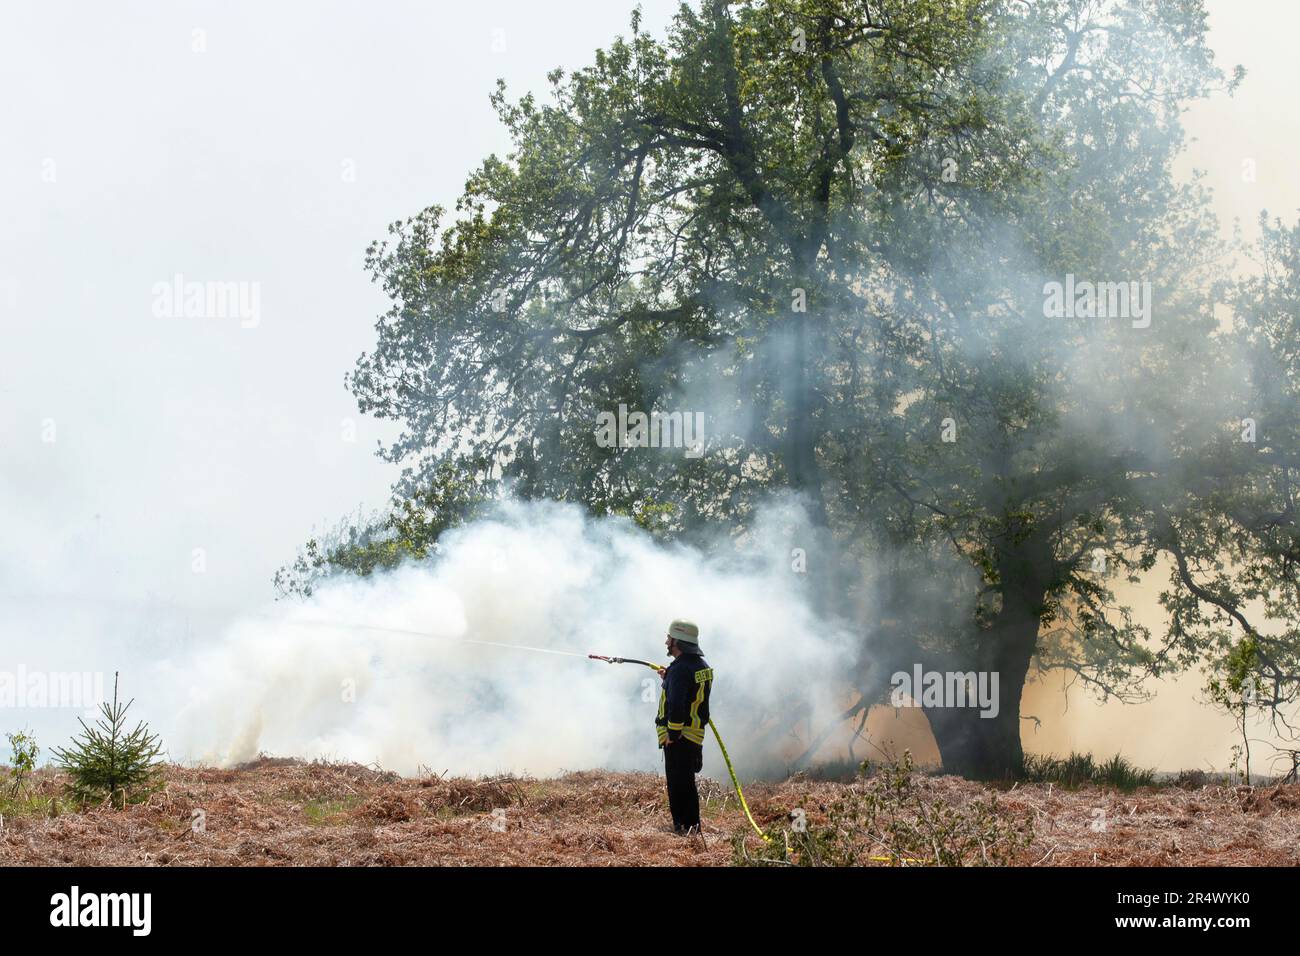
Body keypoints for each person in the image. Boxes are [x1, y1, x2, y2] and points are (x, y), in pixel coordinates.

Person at [654, 620, 713, 834]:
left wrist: (673, 734)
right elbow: (690, 690)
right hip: (695, 735)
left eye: (669, 638)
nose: (666, 642)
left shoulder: (679, 670)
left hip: (680, 738)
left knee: (679, 785)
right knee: (687, 782)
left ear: (678, 641)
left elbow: (677, 705)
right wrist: (669, 678)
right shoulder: (701, 666)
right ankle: (691, 827)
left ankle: (685, 829)